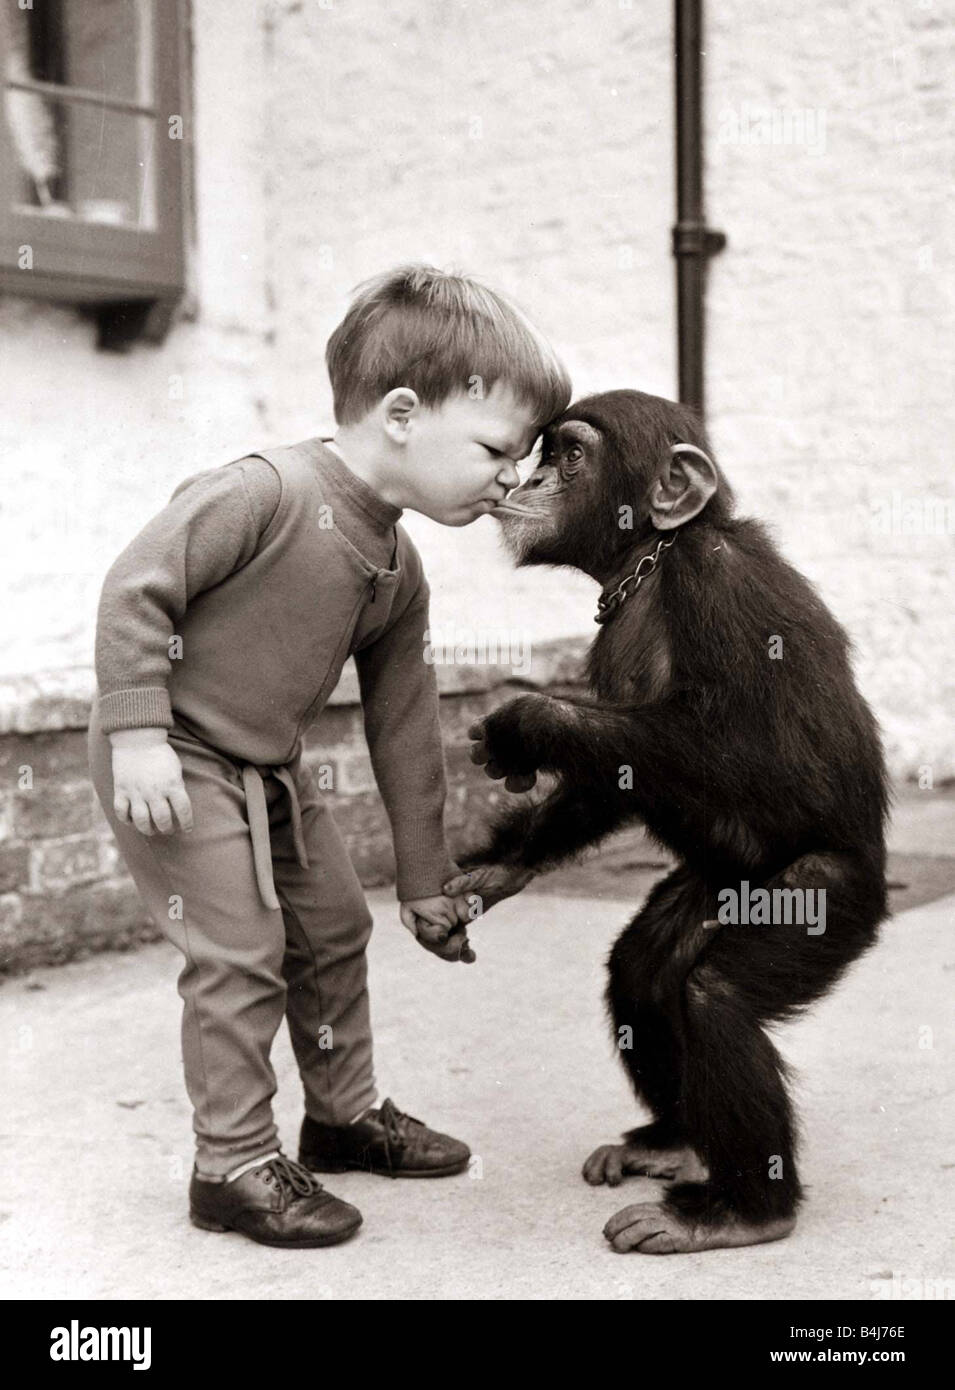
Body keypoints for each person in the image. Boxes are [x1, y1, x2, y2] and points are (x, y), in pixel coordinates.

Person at [88, 264, 571, 1248]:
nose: (509, 480)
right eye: (494, 450)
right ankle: (231, 1162)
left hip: (264, 765)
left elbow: (402, 725)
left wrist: (429, 879)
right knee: (237, 951)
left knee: (332, 926)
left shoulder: (398, 564)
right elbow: (136, 589)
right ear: (402, 413)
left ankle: (343, 1116)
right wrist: (137, 733)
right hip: (171, 755)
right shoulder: (266, 490)